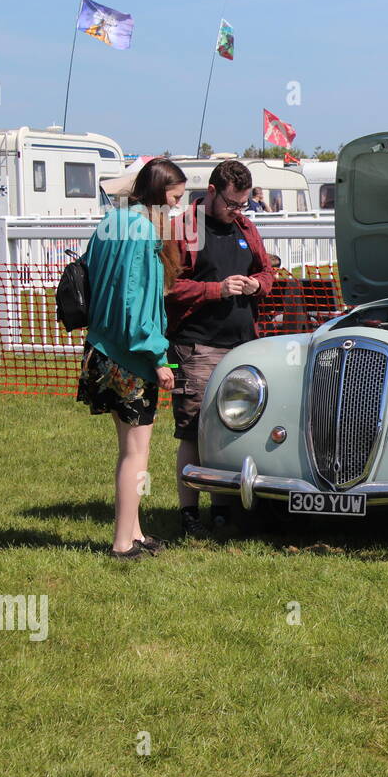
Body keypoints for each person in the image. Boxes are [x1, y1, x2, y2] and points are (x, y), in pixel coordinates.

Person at [77, 158, 186, 558]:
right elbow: (136, 304)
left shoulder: (110, 222)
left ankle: (136, 531)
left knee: (130, 447)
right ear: (159, 192)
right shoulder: (142, 230)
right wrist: (158, 357)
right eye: (174, 199)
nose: (175, 208)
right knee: (136, 452)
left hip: (101, 348)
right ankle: (123, 542)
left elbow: (92, 279)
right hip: (131, 357)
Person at [165, 159, 275, 536]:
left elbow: (268, 272)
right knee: (195, 430)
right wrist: (216, 289)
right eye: (232, 204)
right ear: (211, 192)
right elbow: (168, 288)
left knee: (237, 425)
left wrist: (257, 286)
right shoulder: (184, 229)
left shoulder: (246, 226)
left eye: (243, 204)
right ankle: (189, 513)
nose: (237, 211)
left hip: (244, 347)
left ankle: (225, 508)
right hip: (197, 346)